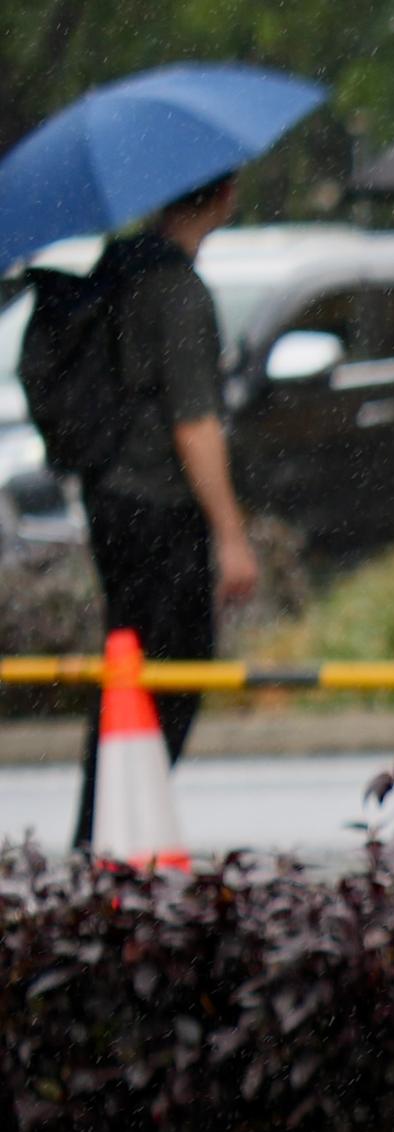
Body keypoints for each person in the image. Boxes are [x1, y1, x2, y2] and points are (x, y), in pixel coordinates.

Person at [38, 167, 257, 855]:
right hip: (160, 507)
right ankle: (112, 840)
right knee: (168, 679)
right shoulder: (180, 290)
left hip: (111, 498)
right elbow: (195, 424)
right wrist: (231, 534)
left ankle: (104, 833)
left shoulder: (119, 268)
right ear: (222, 196)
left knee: (129, 672)